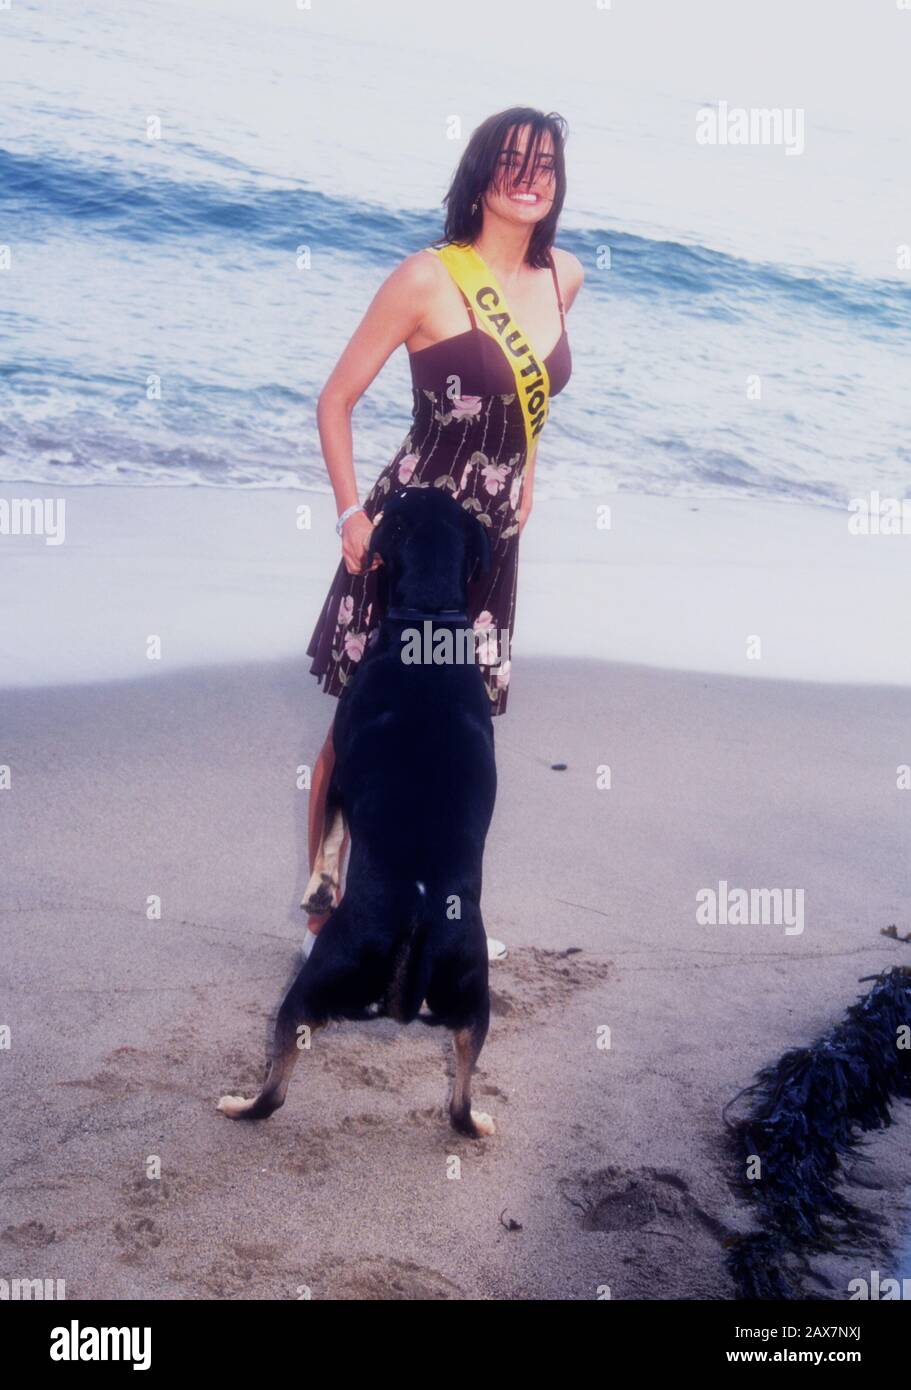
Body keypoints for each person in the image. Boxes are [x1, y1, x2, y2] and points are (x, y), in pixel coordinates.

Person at [303, 105, 583, 959]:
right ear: (480, 173)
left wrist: (529, 477)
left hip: (488, 547)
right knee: (363, 722)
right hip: (410, 536)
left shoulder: (565, 276)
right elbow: (335, 400)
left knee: (455, 735)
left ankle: (439, 916)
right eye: (513, 161)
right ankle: (322, 913)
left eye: (545, 164)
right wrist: (350, 514)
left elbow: (527, 404)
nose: (529, 178)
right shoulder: (427, 278)